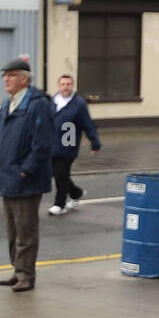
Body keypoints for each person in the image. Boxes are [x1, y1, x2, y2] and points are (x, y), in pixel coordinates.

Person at [0, 56, 53, 291]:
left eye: (11, 75)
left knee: (26, 230)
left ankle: (26, 275)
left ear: (24, 79)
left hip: (26, 179)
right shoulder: (8, 104)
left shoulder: (38, 103)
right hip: (8, 176)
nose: (6, 79)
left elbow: (43, 143)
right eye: (5, 76)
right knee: (12, 230)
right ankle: (17, 270)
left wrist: (25, 170)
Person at [48, 73, 101, 215]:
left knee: (61, 174)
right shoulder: (52, 101)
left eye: (68, 84)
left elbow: (88, 124)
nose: (66, 87)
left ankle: (60, 204)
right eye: (63, 84)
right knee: (58, 173)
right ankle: (76, 192)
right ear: (59, 86)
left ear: (72, 85)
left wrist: (95, 142)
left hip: (68, 142)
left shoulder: (78, 104)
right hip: (52, 144)